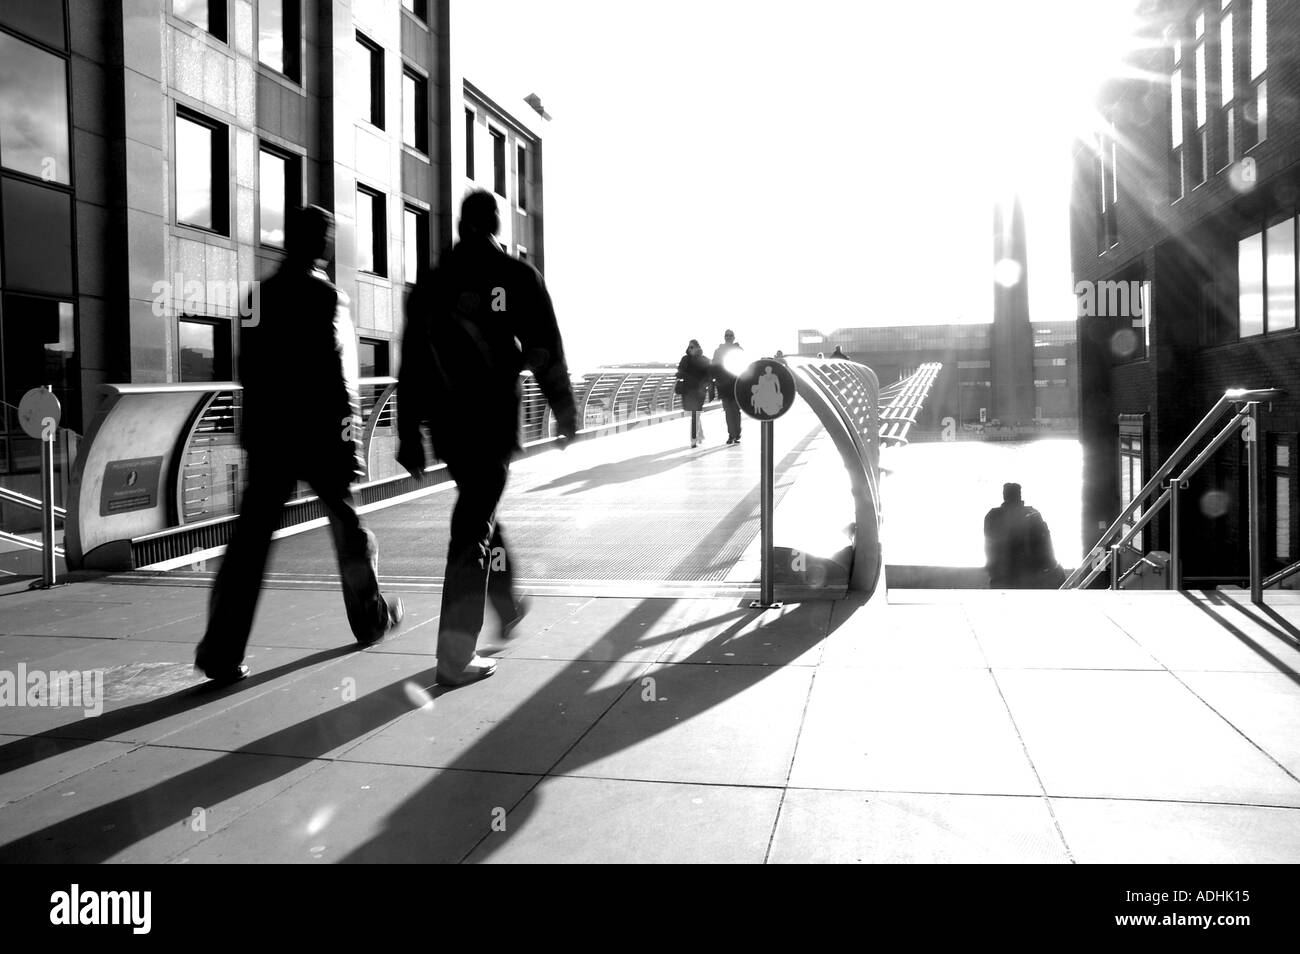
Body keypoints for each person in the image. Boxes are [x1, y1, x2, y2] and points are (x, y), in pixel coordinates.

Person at [195, 206, 403, 684]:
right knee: (347, 532)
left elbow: (247, 369)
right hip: (320, 434)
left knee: (249, 545)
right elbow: (337, 372)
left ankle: (220, 651)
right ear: (322, 243)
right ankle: (370, 620)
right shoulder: (327, 295)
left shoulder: (258, 295)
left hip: (270, 436)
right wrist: (349, 441)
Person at [398, 190, 578, 687]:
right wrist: (564, 411)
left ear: (460, 227)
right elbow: (545, 346)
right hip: (493, 421)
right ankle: (455, 655)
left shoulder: (433, 283)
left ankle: (506, 600)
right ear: (498, 226)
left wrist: (410, 431)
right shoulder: (517, 277)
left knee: (478, 509)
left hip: (448, 425)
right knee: (473, 524)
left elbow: (411, 362)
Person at [983, 482, 1062, 588]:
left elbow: (990, 545)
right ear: (1019, 495)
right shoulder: (1033, 514)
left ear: (1004, 495)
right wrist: (1051, 565)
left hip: (1002, 576)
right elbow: (1046, 543)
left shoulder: (993, 516)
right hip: (1030, 574)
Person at [711, 329, 744, 444]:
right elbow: (714, 367)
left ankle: (737, 433)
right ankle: (731, 435)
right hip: (724, 386)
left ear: (734, 337)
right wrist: (715, 380)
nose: (728, 337)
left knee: (735, 410)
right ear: (724, 337)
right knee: (728, 411)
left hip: (736, 385)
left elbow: (744, 367)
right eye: (726, 336)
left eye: (730, 336)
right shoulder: (718, 351)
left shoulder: (739, 350)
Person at [676, 339, 710, 447]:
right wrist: (684, 374)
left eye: (693, 347)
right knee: (695, 414)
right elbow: (679, 372)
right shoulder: (685, 359)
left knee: (695, 414)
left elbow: (709, 374)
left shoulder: (704, 360)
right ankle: (700, 434)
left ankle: (693, 440)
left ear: (698, 348)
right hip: (687, 391)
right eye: (689, 347)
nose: (690, 349)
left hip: (699, 391)